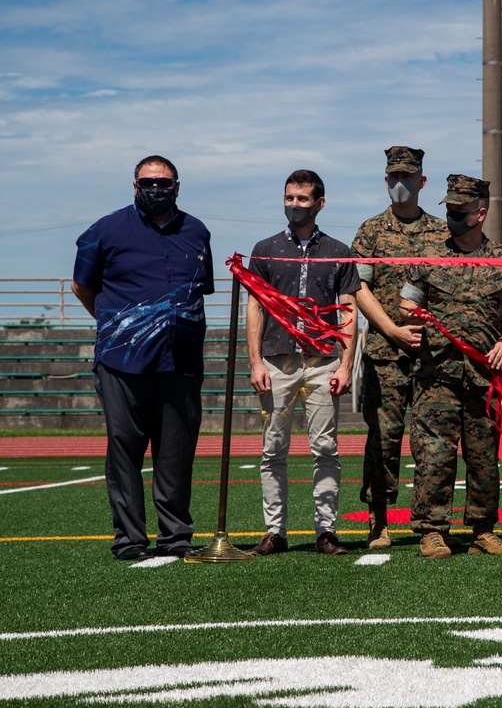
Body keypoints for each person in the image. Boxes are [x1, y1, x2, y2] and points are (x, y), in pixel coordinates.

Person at [72, 155, 214, 561]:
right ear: (135, 186)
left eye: (164, 182)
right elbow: (83, 287)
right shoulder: (105, 230)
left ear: (177, 186)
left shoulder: (197, 231)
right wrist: (121, 328)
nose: (156, 188)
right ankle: (130, 540)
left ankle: (176, 537)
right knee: (125, 451)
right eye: (147, 182)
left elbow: (198, 290)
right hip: (123, 363)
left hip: (181, 361)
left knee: (176, 452)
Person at [400, 174, 502, 559]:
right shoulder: (430, 255)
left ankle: (483, 530)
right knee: (433, 454)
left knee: (483, 456)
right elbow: (405, 302)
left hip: (483, 377)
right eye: (450, 210)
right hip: (436, 374)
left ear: (481, 213)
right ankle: (432, 531)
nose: (453, 216)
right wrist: (417, 315)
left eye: (460, 210)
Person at [246, 169, 360, 557]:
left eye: (302, 199)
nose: (294, 205)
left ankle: (326, 531)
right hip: (276, 362)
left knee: (325, 448)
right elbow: (256, 307)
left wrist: (346, 365)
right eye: (289, 198)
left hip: (324, 361)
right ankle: (274, 532)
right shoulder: (264, 249)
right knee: (273, 449)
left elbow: (348, 310)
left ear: (320, 204)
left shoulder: (340, 251)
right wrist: (255, 361)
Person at [352, 146, 449, 549]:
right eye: (393, 177)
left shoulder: (443, 232)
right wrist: (391, 329)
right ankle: (379, 518)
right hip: (384, 351)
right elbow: (358, 287)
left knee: (433, 438)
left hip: (431, 353)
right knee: (384, 437)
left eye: (408, 178)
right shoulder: (371, 231)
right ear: (385, 180)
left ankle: (431, 526)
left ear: (422, 182)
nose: (400, 184)